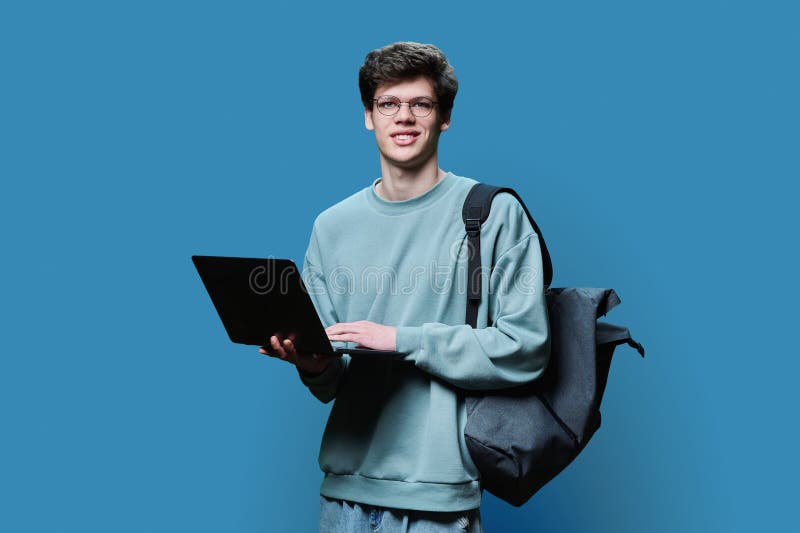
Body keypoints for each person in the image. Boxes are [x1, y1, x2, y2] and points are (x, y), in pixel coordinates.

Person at [259, 41, 550, 532]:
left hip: (438, 500)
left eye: (421, 104)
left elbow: (527, 348)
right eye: (388, 103)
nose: (404, 117)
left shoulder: (492, 214)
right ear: (368, 116)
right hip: (343, 499)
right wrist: (313, 364)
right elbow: (332, 378)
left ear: (445, 117)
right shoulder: (331, 226)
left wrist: (400, 339)